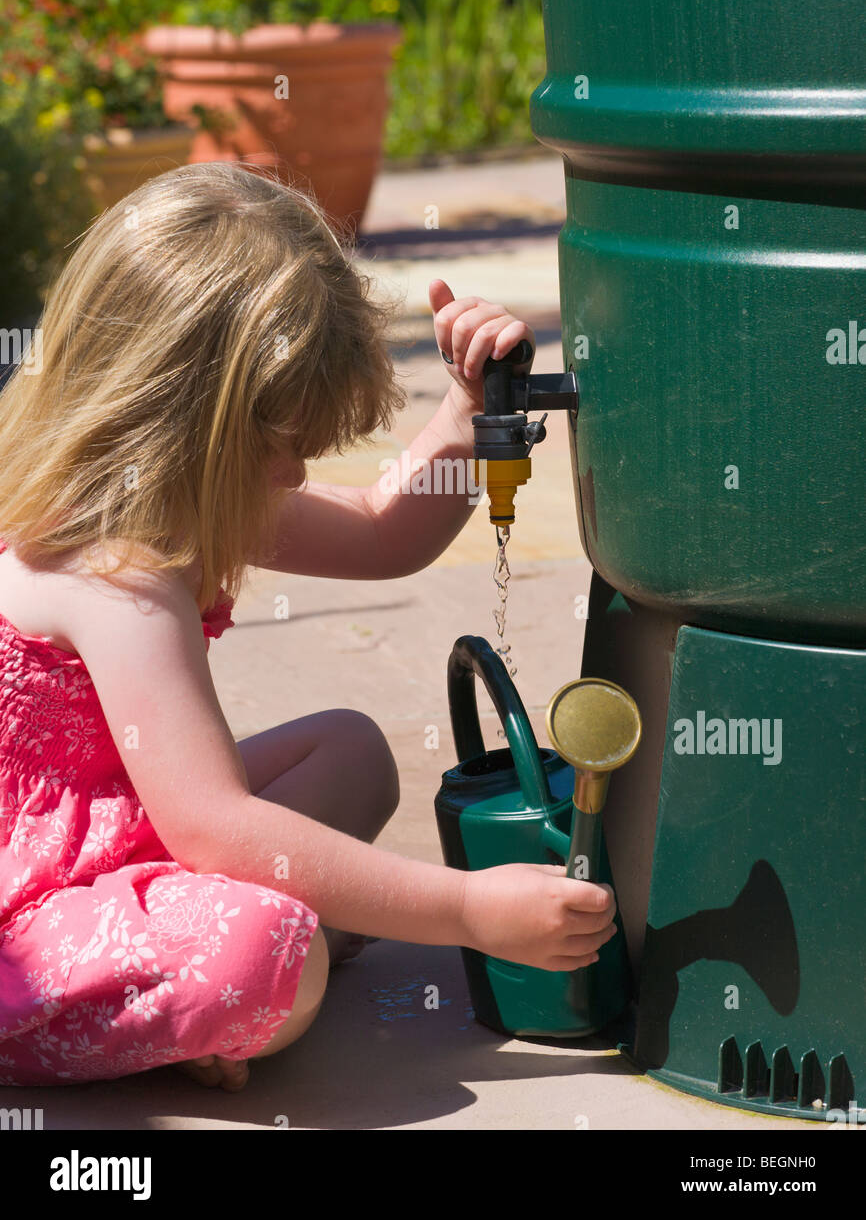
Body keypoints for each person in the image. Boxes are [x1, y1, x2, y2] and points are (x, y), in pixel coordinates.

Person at [0, 162, 616, 1090]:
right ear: (189, 428)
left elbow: (381, 530)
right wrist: (468, 909)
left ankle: (187, 978)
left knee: (353, 752)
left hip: (116, 827)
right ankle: (152, 1010)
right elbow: (213, 823)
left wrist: (457, 412)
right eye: (284, 449)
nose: (293, 477)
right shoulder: (113, 572)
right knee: (277, 958)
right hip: (28, 910)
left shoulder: (187, 491)